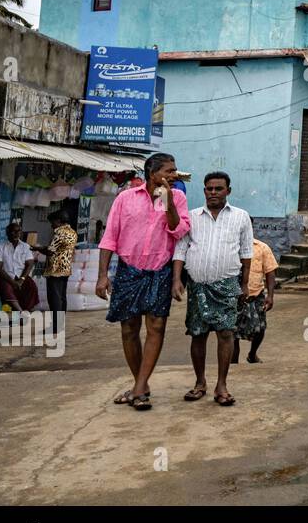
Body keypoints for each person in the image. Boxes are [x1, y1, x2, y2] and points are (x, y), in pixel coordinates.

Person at [97, 153, 191, 410]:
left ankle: (139, 388)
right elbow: (109, 239)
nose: (175, 175)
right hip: (129, 270)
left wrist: (168, 201)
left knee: (156, 326)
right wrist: (103, 275)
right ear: (153, 173)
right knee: (129, 328)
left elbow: (179, 231)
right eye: (170, 171)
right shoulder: (125, 199)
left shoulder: (177, 197)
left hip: (160, 270)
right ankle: (141, 383)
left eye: (175, 170)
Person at [172, 171, 252, 407]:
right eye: (209, 189)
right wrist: (177, 280)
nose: (213, 193)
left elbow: (247, 253)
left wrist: (245, 284)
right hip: (197, 286)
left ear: (229, 190)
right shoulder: (192, 217)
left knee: (226, 333)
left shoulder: (241, 217)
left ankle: (222, 385)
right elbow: (180, 249)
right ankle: (199, 383)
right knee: (197, 334)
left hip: (227, 285)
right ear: (204, 190)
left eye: (218, 188)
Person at [233, 238, 276, 364]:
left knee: (260, 329)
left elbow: (270, 272)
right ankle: (232, 363)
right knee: (232, 333)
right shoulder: (230, 246)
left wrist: (270, 296)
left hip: (256, 295)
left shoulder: (262, 247)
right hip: (235, 297)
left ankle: (252, 354)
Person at [39, 211, 78, 333]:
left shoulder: (59, 232)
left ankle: (55, 326)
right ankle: (60, 325)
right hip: (65, 268)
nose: (52, 225)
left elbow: (50, 251)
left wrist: (37, 248)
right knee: (61, 297)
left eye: (53, 222)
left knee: (54, 298)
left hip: (55, 269)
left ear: (59, 220)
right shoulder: (72, 232)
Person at [0, 222, 38, 312]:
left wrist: (22, 279)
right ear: (8, 233)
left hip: (20, 276)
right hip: (4, 277)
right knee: (7, 289)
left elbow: (29, 264)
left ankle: (25, 311)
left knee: (31, 287)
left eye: (18, 231)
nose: (16, 233)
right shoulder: (0, 248)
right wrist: (13, 282)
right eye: (13, 231)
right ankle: (21, 313)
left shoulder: (25, 247)